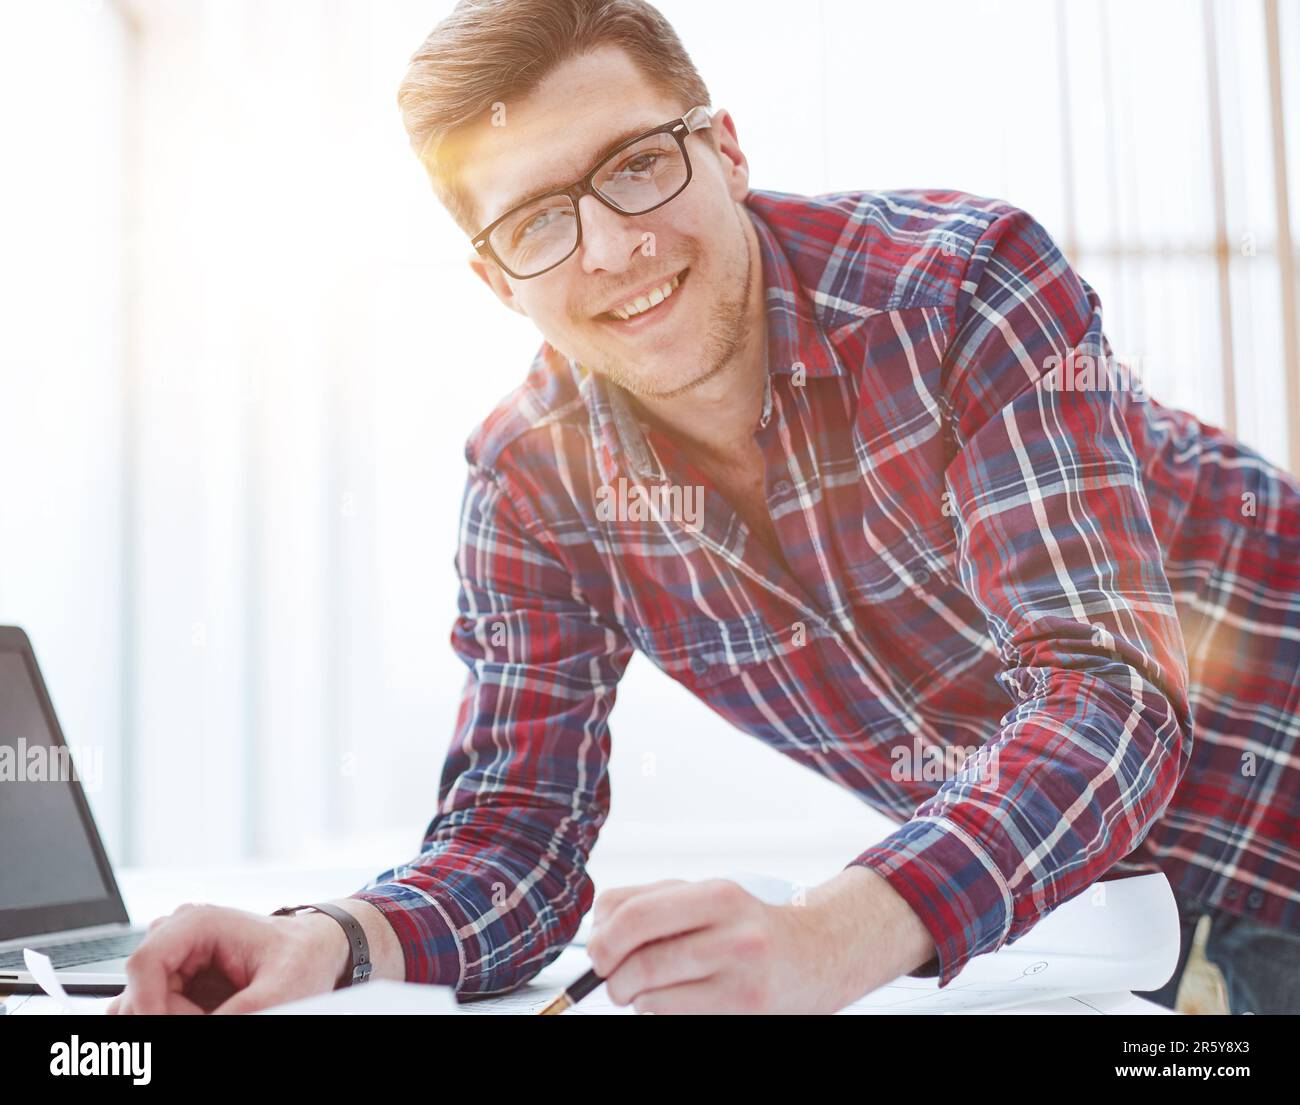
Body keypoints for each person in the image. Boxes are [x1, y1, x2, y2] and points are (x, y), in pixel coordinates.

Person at [109, 0, 1300, 1015]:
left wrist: (827, 936)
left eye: (636, 164)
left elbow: (1110, 695)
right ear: (495, 278)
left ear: (724, 147)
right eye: (536, 220)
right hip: (1089, 912)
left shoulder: (957, 286)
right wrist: (335, 940)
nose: (617, 248)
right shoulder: (533, 486)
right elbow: (515, 839)